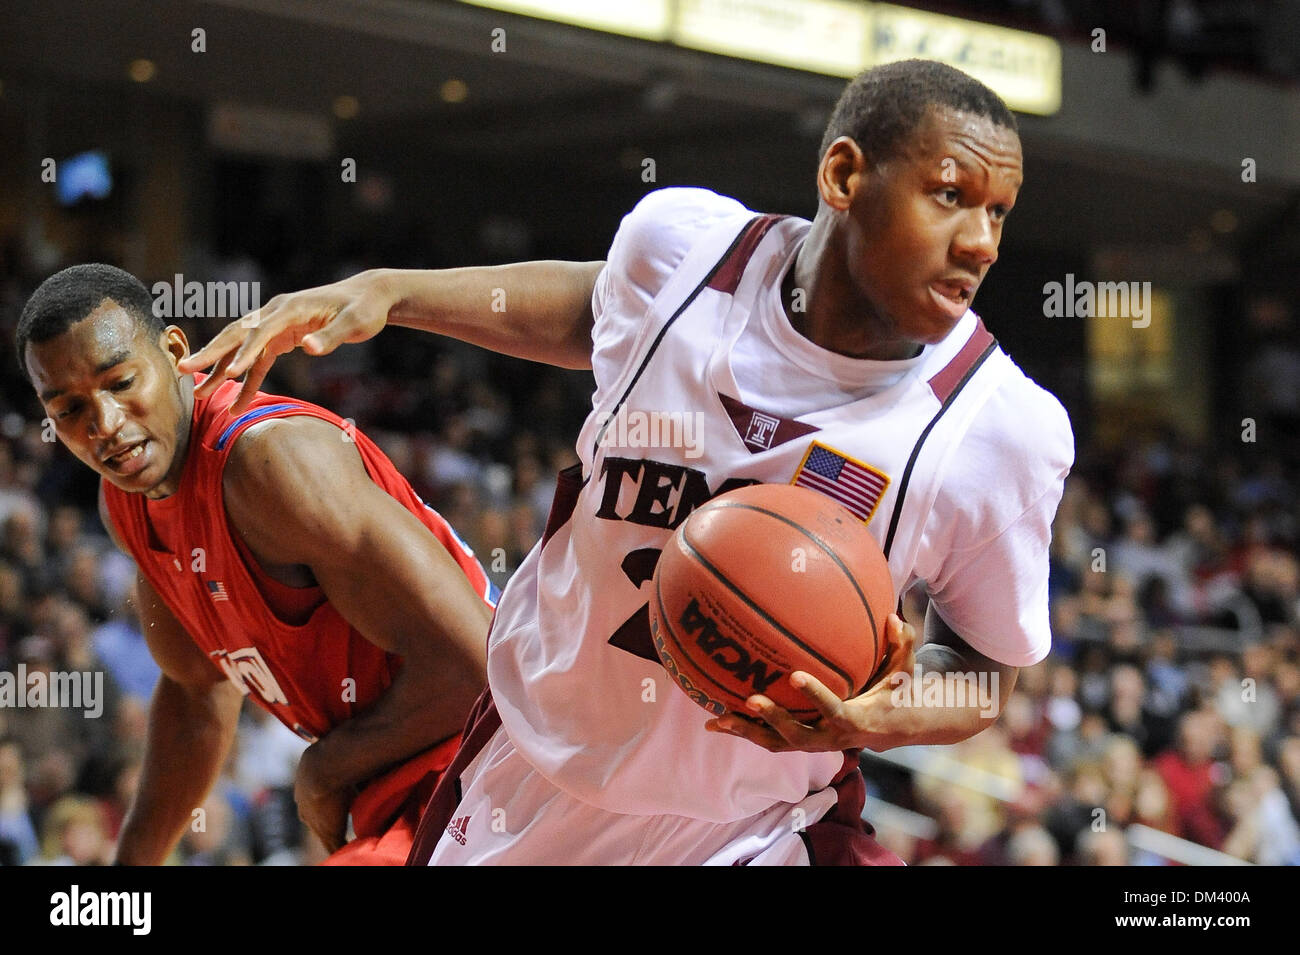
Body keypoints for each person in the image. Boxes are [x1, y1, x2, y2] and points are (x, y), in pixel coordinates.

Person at [183, 59, 1075, 865]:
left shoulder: (1001, 431)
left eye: (999, 212)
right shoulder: (682, 249)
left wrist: (880, 715)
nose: (982, 244)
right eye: (951, 196)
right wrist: (392, 292)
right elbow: (598, 307)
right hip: (528, 771)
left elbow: (985, 671)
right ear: (844, 175)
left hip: (752, 827)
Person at [17, 264, 497, 865]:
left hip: (495, 766)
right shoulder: (126, 504)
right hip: (400, 793)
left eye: (120, 382)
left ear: (173, 351)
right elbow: (196, 698)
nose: (106, 426)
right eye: (69, 409)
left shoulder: (273, 464)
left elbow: (481, 666)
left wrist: (325, 767)